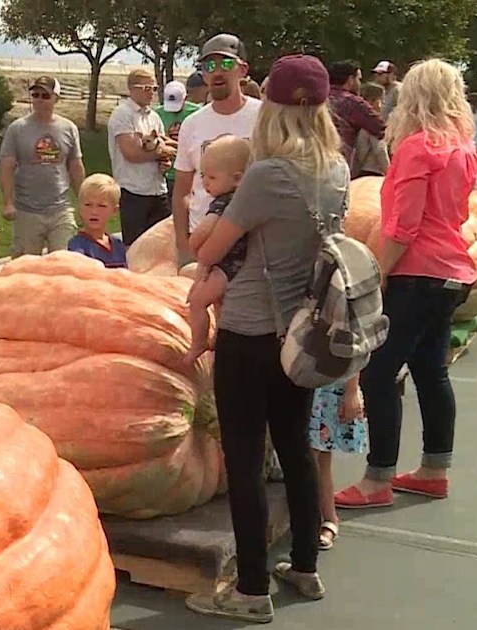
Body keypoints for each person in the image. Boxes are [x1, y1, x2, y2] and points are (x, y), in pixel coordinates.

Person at [184, 54, 348, 622]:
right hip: (301, 333)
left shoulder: (266, 174)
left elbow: (207, 250)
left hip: (250, 331)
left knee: (246, 457)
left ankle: (251, 590)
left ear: (272, 106)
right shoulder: (336, 170)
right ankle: (304, 565)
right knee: (296, 447)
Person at [335, 59, 477, 509]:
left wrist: (374, 276)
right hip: (454, 273)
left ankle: (377, 480)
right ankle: (435, 470)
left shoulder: (419, 148)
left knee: (379, 372)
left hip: (417, 274)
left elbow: (404, 226)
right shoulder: (463, 148)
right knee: (431, 370)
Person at [171, 33, 262, 266]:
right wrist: (184, 245)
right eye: (210, 65)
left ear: (242, 70)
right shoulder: (192, 124)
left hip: (256, 241)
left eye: (227, 63)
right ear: (203, 74)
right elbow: (182, 190)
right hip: (204, 241)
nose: (218, 71)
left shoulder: (264, 118)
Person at [183, 135, 251, 365]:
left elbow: (206, 229)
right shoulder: (245, 197)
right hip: (233, 262)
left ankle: (198, 343)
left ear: (237, 179)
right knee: (219, 303)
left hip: (230, 264)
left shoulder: (224, 201)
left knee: (198, 301)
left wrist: (193, 243)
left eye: (211, 177)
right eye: (202, 176)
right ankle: (220, 337)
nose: (205, 182)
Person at [0, 76, 85, 255]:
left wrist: (84, 201)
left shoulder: (68, 128)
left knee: (64, 262)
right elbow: (7, 165)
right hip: (27, 210)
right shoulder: (17, 128)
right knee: (27, 268)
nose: (39, 99)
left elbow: (75, 165)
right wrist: (7, 202)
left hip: (61, 208)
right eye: (35, 95)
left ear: (56, 99)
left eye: (45, 96)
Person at [108, 68, 177, 245]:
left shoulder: (154, 117)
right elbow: (131, 153)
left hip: (158, 189)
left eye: (154, 89)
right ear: (132, 89)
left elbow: (164, 146)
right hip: (134, 191)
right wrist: (162, 152)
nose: (151, 93)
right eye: (147, 88)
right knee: (135, 247)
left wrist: (165, 162)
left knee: (161, 246)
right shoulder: (122, 114)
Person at [310, 373, 367, 550]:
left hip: (325, 381)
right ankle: (322, 517)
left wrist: (351, 390)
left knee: (318, 454)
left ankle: (327, 517)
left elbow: (353, 349)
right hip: (298, 374)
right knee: (312, 455)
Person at [327, 60, 386, 168]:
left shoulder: (317, 100)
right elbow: (379, 127)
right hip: (338, 163)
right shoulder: (352, 103)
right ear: (350, 80)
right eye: (358, 79)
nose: (360, 83)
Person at [155, 80, 202, 209]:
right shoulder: (156, 113)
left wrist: (173, 144)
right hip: (164, 174)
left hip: (188, 173)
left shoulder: (197, 113)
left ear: (185, 98)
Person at [67, 174, 128, 269]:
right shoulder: (78, 245)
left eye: (102, 206)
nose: (94, 211)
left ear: (114, 210)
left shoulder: (117, 244)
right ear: (80, 208)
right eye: (88, 205)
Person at [351, 83, 391, 178]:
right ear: (371, 101)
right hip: (373, 171)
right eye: (381, 100)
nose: (383, 104)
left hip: (360, 171)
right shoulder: (373, 125)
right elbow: (380, 150)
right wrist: (389, 173)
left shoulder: (360, 122)